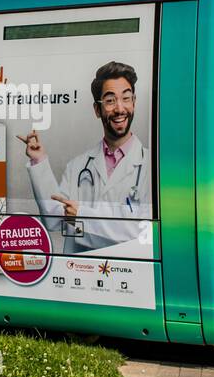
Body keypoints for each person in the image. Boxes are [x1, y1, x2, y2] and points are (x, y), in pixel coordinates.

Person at [16, 60, 151, 254]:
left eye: (126, 98)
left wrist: (82, 217)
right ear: (97, 110)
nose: (120, 108)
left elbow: (142, 233)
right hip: (79, 274)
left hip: (128, 275)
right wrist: (39, 161)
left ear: (134, 103)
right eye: (110, 100)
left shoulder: (152, 167)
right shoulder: (78, 166)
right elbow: (55, 220)